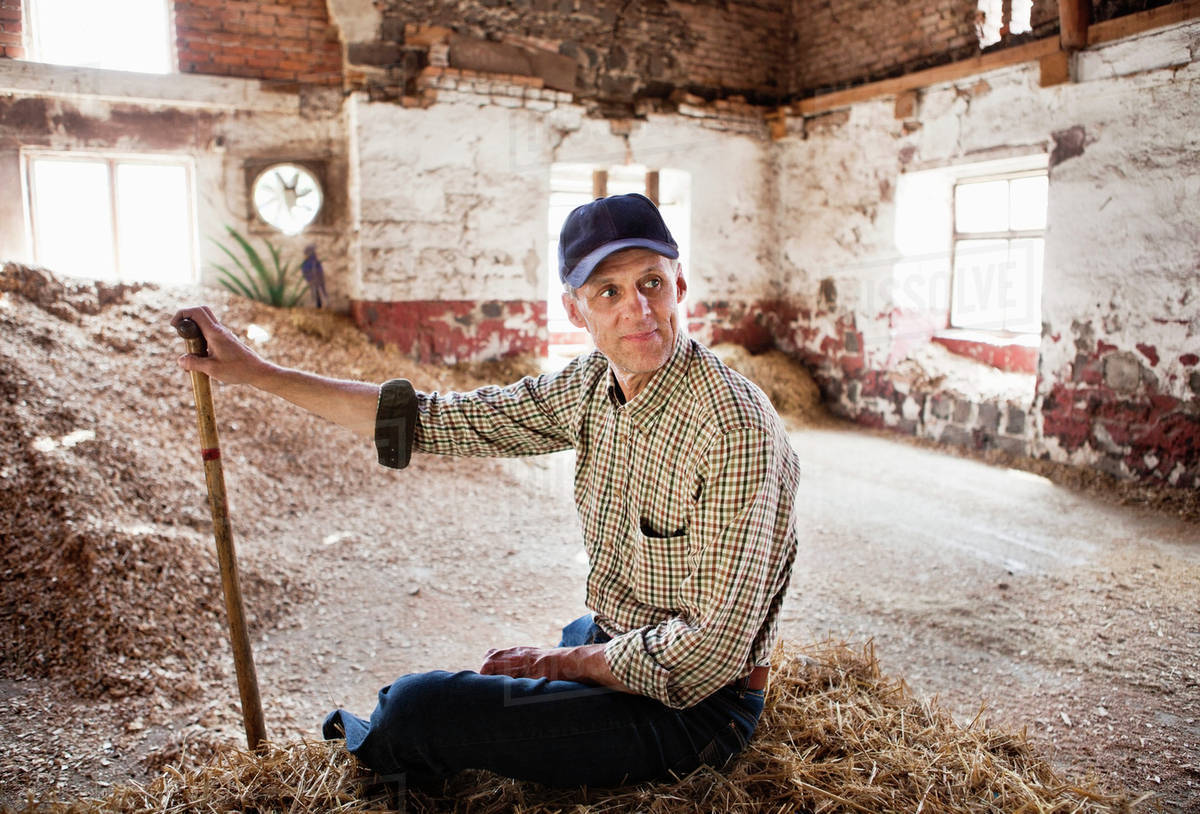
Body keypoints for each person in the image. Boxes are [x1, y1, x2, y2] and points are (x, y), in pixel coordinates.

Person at [172, 192, 801, 790]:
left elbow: (713, 653)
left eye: (652, 284)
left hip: (698, 709)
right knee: (565, 638)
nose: (636, 308)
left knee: (419, 710)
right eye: (608, 291)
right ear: (574, 310)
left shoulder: (731, 425)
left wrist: (560, 665)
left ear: (679, 287)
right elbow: (437, 419)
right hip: (617, 640)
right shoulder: (589, 385)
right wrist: (259, 374)